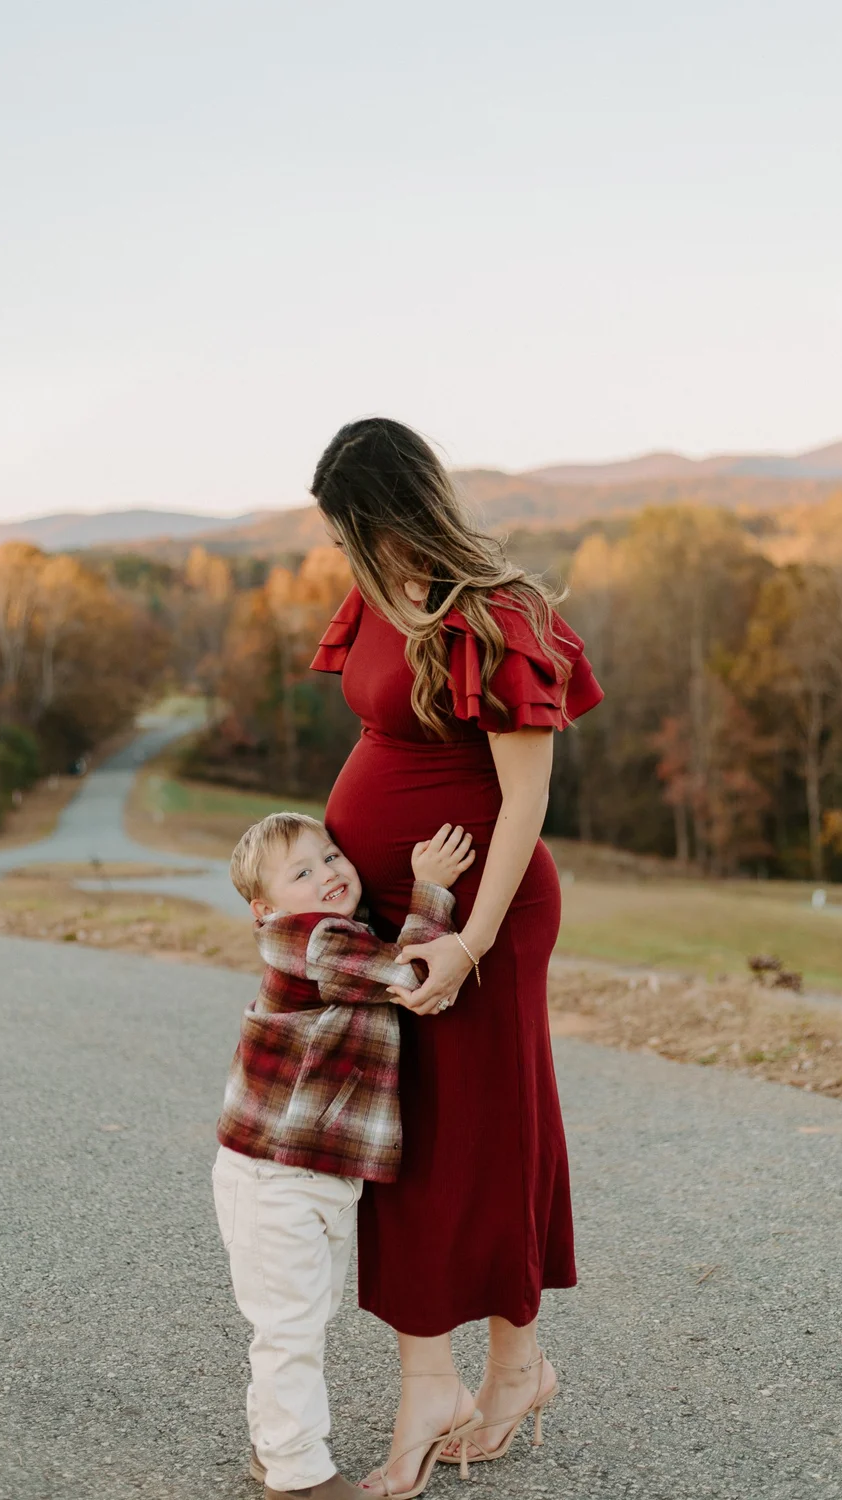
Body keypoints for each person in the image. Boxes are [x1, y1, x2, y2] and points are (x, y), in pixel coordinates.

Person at [309, 417, 604, 1497]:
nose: (350, 552)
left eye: (357, 529)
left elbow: (526, 794)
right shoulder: (376, 600)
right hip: (400, 915)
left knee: (478, 1134)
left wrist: (471, 942)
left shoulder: (497, 612)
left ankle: (484, 1374)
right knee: (413, 1139)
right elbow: (380, 736)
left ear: (399, 512)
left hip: (484, 917)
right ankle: (488, 1373)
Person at [212, 812, 479, 1500]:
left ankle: (276, 1450)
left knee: (295, 1320)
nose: (329, 873)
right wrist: (430, 892)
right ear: (263, 909)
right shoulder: (307, 941)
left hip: (309, 1174)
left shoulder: (338, 936)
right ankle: (299, 1478)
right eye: (302, 871)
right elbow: (410, 972)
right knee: (291, 1328)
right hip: (276, 1176)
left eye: (330, 856)